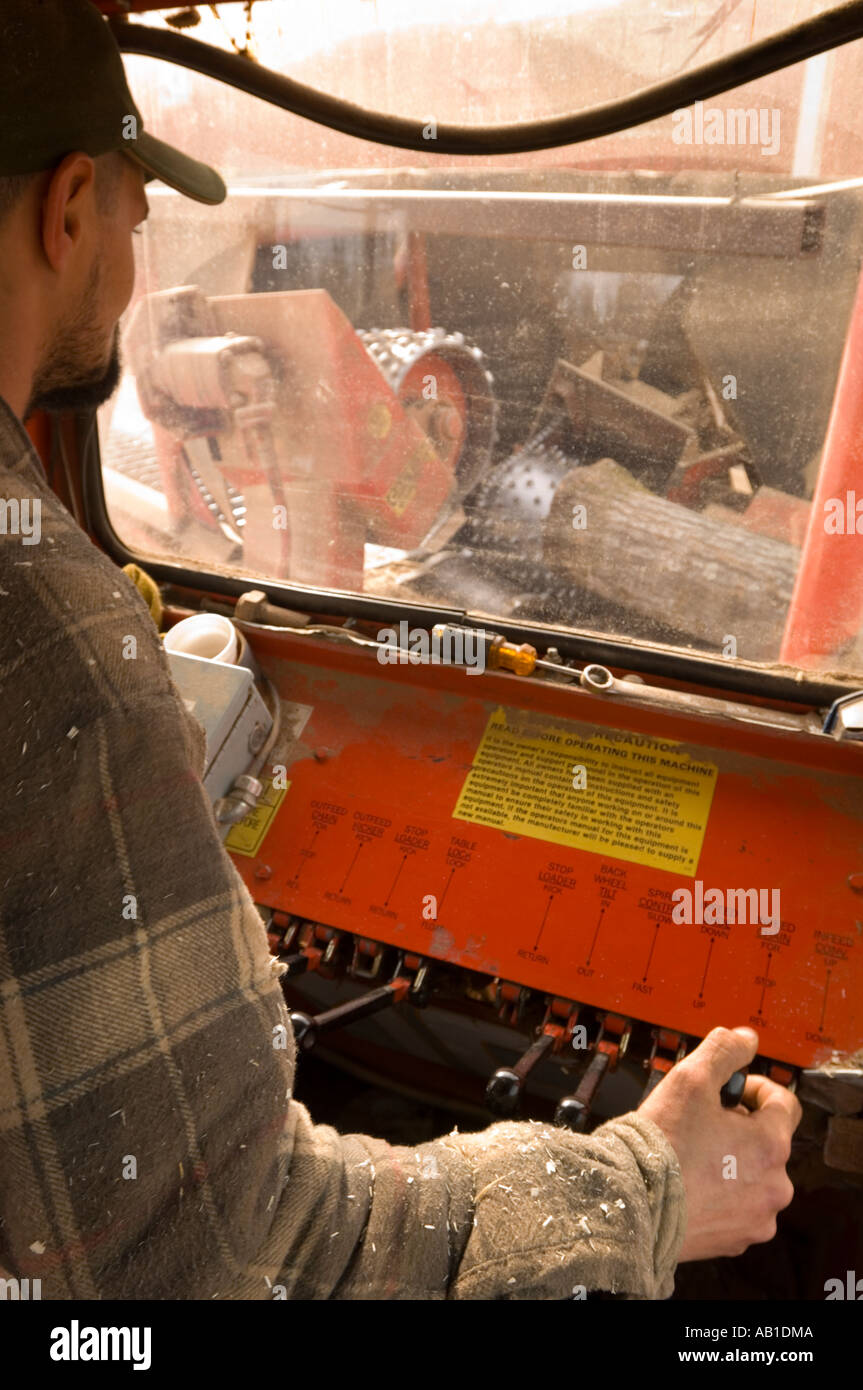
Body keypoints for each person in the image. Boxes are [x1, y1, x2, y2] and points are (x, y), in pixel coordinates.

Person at [0, 0, 800, 1301]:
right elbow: (253, 1259)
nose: (142, 272)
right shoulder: (56, 654)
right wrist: (648, 1180)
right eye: (142, 225)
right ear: (71, 207)